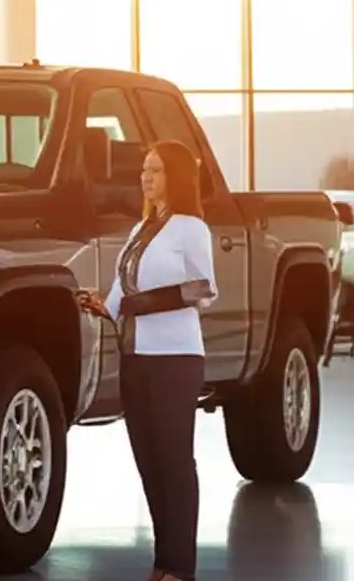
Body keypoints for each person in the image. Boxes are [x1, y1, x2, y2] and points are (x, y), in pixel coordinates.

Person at [77, 139, 217, 581]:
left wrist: (142, 303)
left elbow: (204, 289)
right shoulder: (142, 230)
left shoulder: (191, 228)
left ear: (175, 176)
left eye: (155, 170)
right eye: (144, 170)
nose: (146, 178)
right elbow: (124, 295)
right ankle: (163, 563)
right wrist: (103, 304)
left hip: (175, 359)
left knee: (175, 462)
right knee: (149, 461)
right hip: (135, 356)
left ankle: (181, 568)